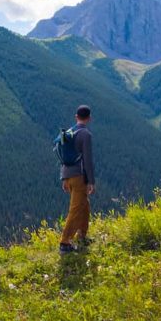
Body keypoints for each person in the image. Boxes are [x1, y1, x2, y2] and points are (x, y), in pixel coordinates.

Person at [59, 104, 95, 255]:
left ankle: (82, 235)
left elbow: (62, 157)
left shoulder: (68, 132)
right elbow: (87, 159)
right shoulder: (86, 135)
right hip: (79, 177)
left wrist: (63, 178)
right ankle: (65, 242)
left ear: (76, 117)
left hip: (67, 175)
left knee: (84, 204)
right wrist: (91, 181)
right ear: (89, 118)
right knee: (75, 209)